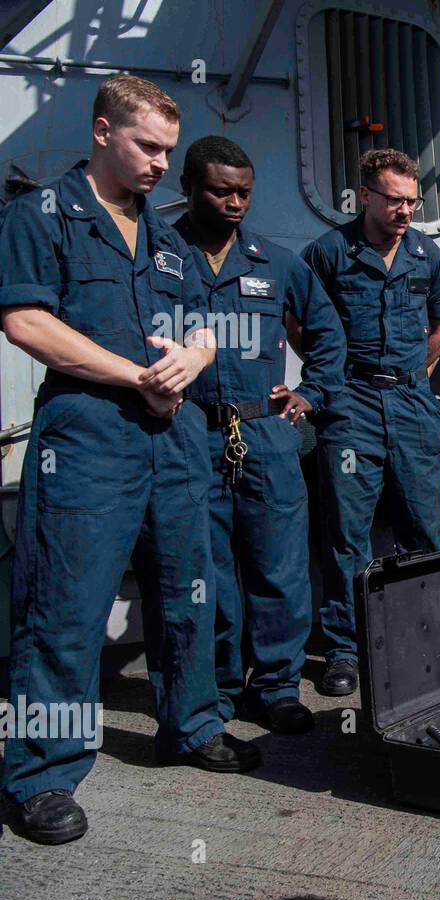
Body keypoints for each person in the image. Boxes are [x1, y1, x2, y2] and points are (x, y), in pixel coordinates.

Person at [0, 76, 260, 845]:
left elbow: (211, 326)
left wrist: (193, 357)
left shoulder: (172, 239)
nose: (158, 163)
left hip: (174, 440)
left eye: (168, 151)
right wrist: (136, 376)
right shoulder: (42, 215)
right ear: (104, 130)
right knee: (65, 610)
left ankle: (192, 725)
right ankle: (42, 775)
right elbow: (24, 321)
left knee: (188, 593)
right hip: (89, 437)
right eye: (148, 146)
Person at [174, 136, 345, 734]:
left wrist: (310, 393)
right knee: (209, 571)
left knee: (280, 567)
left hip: (264, 435)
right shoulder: (159, 256)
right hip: (188, 434)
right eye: (221, 191)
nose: (235, 202)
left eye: (244, 192)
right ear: (188, 189)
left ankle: (275, 686)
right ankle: (218, 689)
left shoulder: (276, 262)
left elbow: (328, 334)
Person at [302, 148, 440, 697]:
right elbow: (303, 325)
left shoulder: (426, 254)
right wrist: (336, 377)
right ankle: (344, 650)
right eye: (393, 200)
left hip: (413, 403)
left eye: (412, 201)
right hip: (351, 403)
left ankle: (432, 641)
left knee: (426, 529)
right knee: (347, 533)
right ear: (364, 195)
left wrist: (418, 367)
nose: (405, 211)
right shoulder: (328, 254)